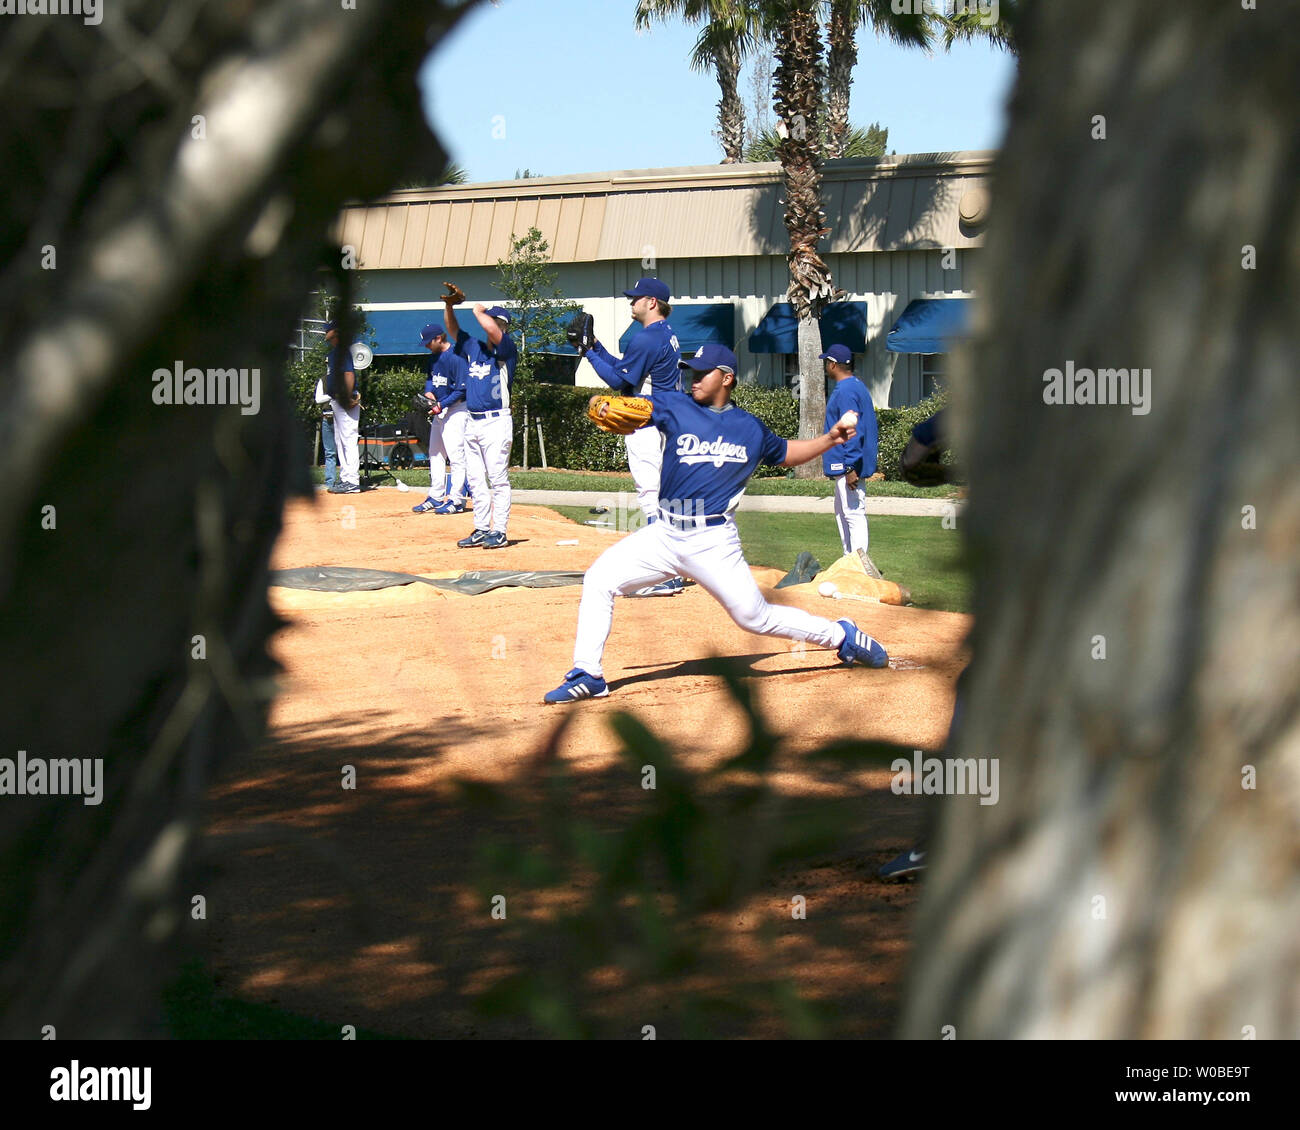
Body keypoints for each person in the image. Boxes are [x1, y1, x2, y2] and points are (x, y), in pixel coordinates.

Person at [543, 344, 889, 704]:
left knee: (754, 618)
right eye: (692, 371)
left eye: (702, 372)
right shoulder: (674, 406)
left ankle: (841, 635)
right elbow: (640, 409)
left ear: (726, 378)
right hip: (663, 534)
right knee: (600, 579)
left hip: (712, 541)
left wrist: (831, 439)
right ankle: (589, 673)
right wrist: (617, 404)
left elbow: (786, 454)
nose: (694, 378)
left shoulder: (749, 428)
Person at [581, 278, 683, 525]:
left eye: (636, 298)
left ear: (651, 302)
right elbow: (626, 370)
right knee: (664, 488)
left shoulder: (647, 338)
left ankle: (657, 542)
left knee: (649, 489)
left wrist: (586, 353)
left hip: (646, 419)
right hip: (667, 417)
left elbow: (618, 381)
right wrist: (596, 346)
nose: (631, 302)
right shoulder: (663, 334)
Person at [443, 285, 517, 548]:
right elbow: (452, 331)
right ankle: (482, 528)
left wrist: (476, 310)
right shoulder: (474, 347)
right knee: (475, 480)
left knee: (497, 479)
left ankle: (500, 531)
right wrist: (450, 306)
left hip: (497, 422)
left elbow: (491, 330)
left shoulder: (507, 350)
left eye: (498, 323)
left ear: (504, 327)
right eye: (492, 320)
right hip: (472, 421)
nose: (493, 326)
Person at [820, 344, 879, 572]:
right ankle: (848, 561)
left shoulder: (846, 390)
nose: (826, 366)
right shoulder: (854, 386)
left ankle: (859, 567)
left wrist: (850, 466)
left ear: (833, 364)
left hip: (848, 463)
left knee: (853, 513)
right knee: (843, 511)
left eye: (827, 362)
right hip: (845, 463)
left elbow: (851, 430)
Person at [411, 323, 470, 515]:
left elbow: (462, 389)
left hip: (457, 409)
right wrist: (429, 393)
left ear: (439, 338)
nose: (427, 346)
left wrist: (440, 405)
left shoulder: (456, 356)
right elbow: (431, 378)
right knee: (435, 452)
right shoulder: (434, 357)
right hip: (440, 409)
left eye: (429, 342)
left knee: (456, 456)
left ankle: (457, 500)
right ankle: (436, 496)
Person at [323, 321, 360, 494]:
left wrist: (348, 394)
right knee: (340, 440)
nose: (326, 333)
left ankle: (352, 480)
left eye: (329, 330)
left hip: (344, 400)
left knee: (348, 439)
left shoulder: (343, 351)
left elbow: (349, 373)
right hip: (336, 400)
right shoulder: (334, 353)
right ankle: (346, 479)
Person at [314, 376, 337, 490]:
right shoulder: (323, 380)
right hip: (327, 418)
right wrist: (332, 395)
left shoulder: (345, 378)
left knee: (344, 451)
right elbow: (318, 399)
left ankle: (346, 480)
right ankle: (330, 482)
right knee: (330, 452)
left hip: (341, 419)